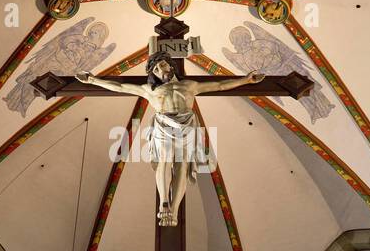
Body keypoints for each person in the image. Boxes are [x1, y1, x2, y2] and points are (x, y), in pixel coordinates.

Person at [77, 53, 263, 225]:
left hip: (186, 123)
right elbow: (119, 86)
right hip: (164, 123)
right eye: (155, 70)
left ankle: (173, 210)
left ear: (171, 65)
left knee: (182, 165)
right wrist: (92, 80)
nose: (160, 70)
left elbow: (220, 85)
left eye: (162, 65)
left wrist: (246, 80)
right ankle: (164, 202)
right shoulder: (149, 90)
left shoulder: (190, 85)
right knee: (165, 159)